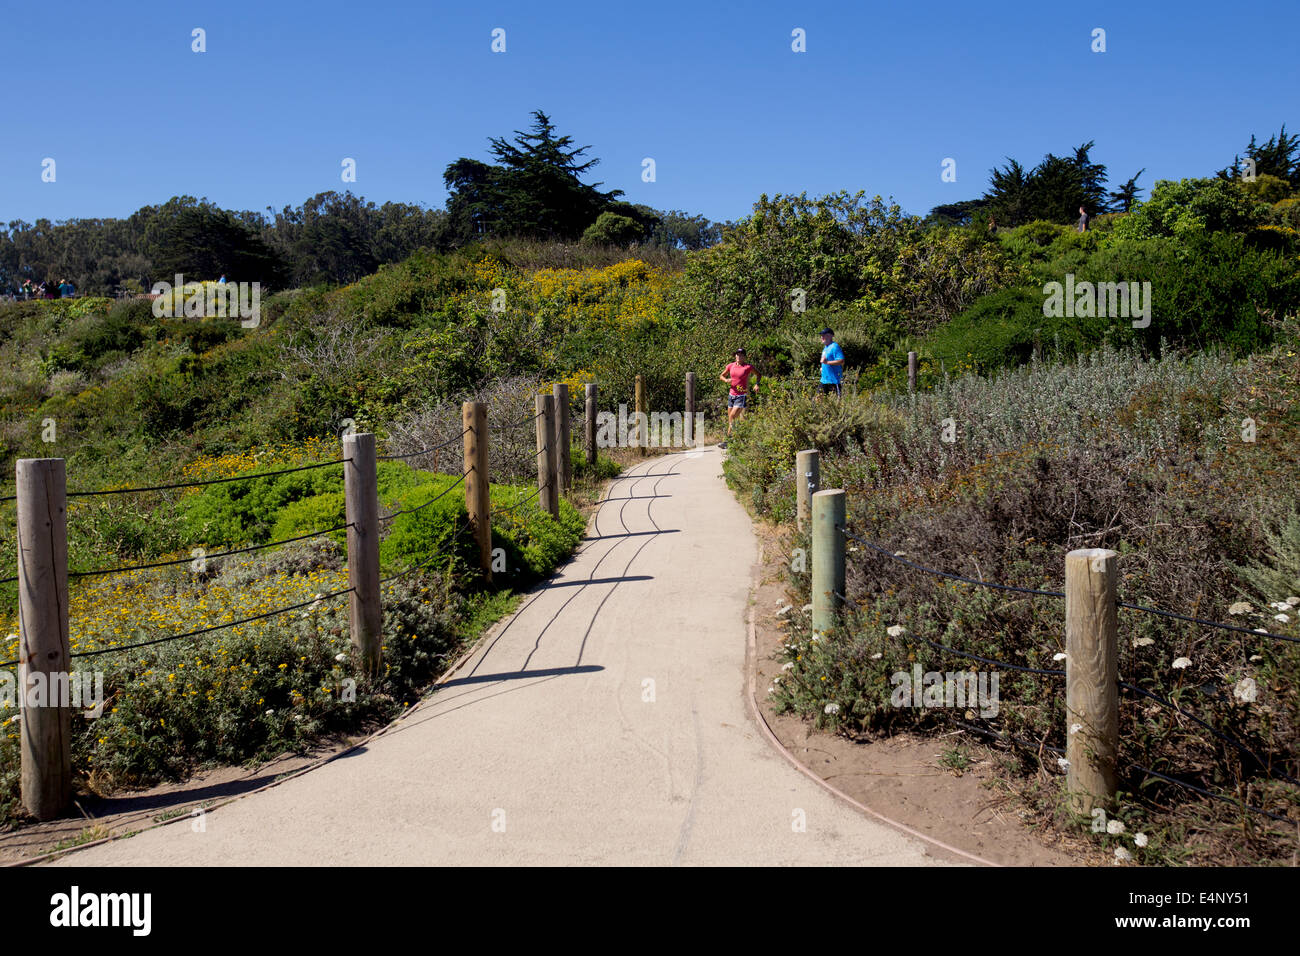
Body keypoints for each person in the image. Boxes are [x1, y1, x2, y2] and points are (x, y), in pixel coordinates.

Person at [719, 347, 759, 436]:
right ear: (735, 356)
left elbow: (758, 374)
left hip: (741, 395)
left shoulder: (748, 367)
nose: (739, 356)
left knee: (732, 416)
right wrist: (726, 380)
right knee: (731, 418)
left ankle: (729, 438)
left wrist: (757, 384)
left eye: (741, 355)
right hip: (731, 395)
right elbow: (721, 376)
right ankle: (734, 438)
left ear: (744, 357)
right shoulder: (730, 366)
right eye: (738, 354)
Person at [818, 327, 844, 397]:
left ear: (830, 336)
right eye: (821, 335)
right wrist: (822, 368)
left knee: (836, 404)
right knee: (818, 401)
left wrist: (827, 362)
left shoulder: (835, 347)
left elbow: (841, 361)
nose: (822, 337)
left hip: (834, 381)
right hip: (824, 380)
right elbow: (825, 361)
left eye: (824, 335)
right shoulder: (825, 348)